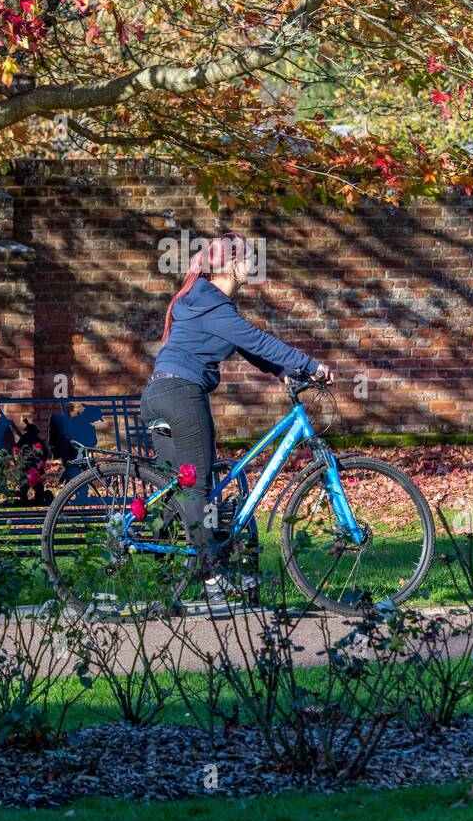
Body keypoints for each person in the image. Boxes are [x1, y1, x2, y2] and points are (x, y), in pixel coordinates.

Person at [141, 231, 334, 606]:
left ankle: (163, 587)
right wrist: (310, 364)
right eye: (248, 259)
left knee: (176, 493)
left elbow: (250, 349)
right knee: (196, 487)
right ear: (232, 265)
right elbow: (257, 340)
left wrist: (284, 372)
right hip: (182, 394)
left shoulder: (202, 299)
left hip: (158, 394)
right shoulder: (213, 303)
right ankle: (213, 581)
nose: (253, 265)